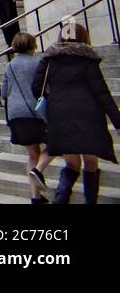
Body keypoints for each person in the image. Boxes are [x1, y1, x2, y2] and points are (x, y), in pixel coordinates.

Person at [33, 23, 120, 204]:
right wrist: (117, 120)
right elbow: (101, 92)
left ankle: (61, 199)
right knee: (90, 160)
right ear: (83, 37)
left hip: (59, 113)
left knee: (71, 161)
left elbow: (36, 87)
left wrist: (54, 98)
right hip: (87, 113)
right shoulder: (87, 60)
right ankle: (90, 201)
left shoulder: (48, 60)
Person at [1, 31, 51, 203]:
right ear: (33, 45)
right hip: (36, 111)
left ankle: (36, 197)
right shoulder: (39, 62)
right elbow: (47, 86)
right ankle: (38, 170)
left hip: (16, 113)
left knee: (32, 155)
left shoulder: (10, 66)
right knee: (56, 143)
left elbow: (3, 92)